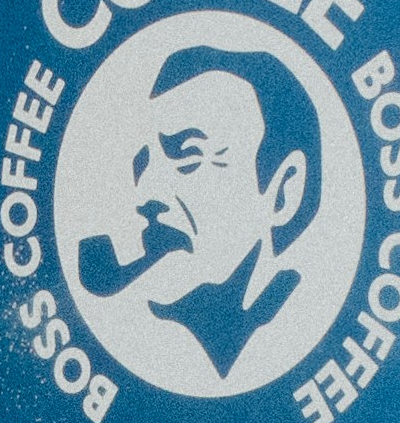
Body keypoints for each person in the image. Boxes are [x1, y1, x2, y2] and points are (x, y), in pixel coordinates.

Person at [73, 35, 323, 384]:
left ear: (283, 192)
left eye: (187, 157)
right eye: (142, 164)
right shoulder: (134, 333)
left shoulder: (301, 321)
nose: (145, 194)